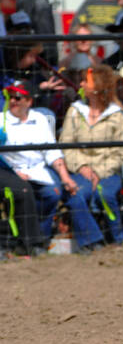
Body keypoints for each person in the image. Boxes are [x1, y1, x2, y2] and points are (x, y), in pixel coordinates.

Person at [1, 81, 81, 253]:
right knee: (21, 192)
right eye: (9, 97)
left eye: (18, 97)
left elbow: (52, 151)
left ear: (29, 102)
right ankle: (29, 241)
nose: (13, 101)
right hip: (11, 171)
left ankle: (41, 236)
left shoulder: (41, 119)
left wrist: (65, 177)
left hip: (38, 171)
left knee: (53, 193)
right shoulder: (1, 121)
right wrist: (14, 172)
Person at [58, 63, 123, 250]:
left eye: (85, 81)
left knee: (104, 193)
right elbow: (66, 145)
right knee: (77, 194)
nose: (81, 84)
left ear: (98, 86)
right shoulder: (75, 111)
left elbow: (121, 152)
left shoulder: (116, 115)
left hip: (107, 172)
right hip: (80, 171)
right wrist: (81, 167)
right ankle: (93, 241)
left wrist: (98, 171)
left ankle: (116, 239)